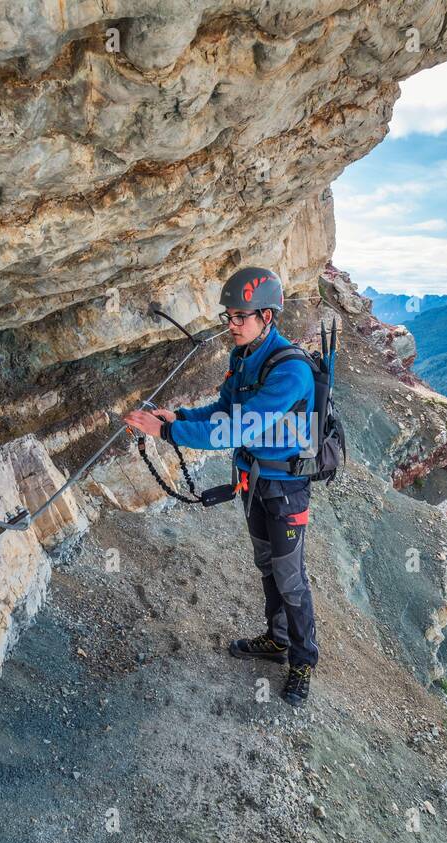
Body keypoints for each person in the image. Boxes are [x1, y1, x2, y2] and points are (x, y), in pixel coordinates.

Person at [123, 266, 318, 706]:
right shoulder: (243, 356)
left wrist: (167, 433)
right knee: (268, 566)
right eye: (228, 316)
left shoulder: (292, 372)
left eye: (240, 317)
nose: (231, 325)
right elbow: (223, 409)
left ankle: (303, 659)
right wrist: (180, 417)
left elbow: (238, 427)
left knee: (290, 577)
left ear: (267, 315)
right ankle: (277, 638)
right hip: (254, 481)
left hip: (286, 488)